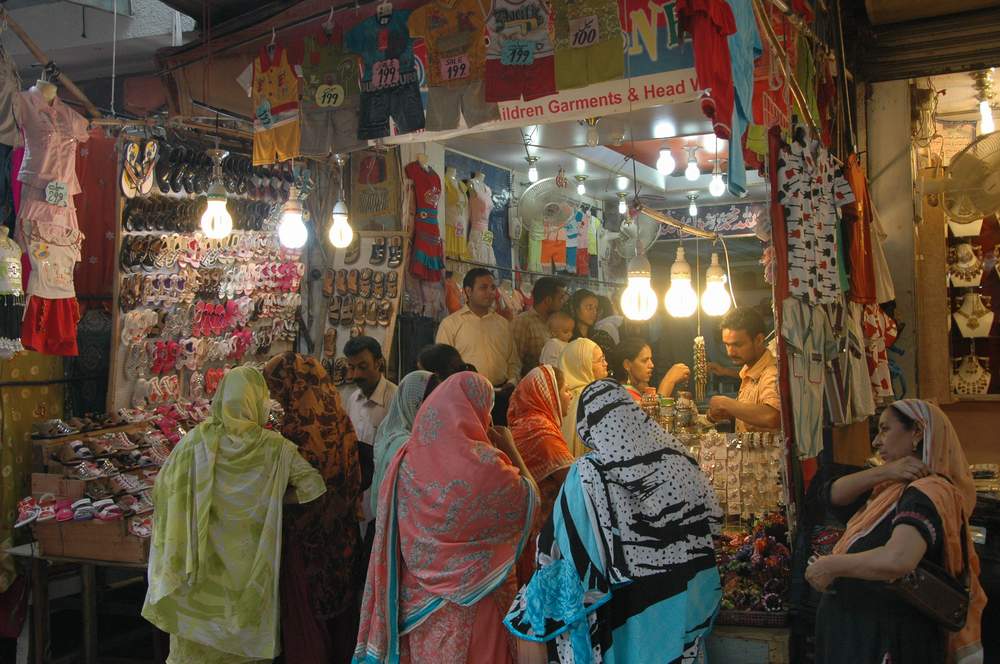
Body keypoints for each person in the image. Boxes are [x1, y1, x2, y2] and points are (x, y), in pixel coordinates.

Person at [505, 379, 723, 663]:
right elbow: (711, 530)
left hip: (625, 611)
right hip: (679, 603)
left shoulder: (588, 473)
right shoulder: (681, 460)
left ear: (587, 427)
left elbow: (560, 547)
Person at [142, 367, 326, 663]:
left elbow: (162, 489)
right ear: (258, 400)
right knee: (244, 648)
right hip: (251, 569)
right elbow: (313, 488)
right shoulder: (276, 449)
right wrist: (273, 497)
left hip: (201, 572)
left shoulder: (195, 443)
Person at [353, 372, 538, 664]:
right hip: (480, 600)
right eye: (486, 411)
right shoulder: (489, 466)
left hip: (419, 606)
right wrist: (511, 448)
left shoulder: (407, 458)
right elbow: (530, 501)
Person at [805, 400, 985, 664]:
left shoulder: (926, 493)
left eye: (885, 430)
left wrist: (831, 565)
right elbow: (832, 495)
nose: (877, 441)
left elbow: (898, 559)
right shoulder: (889, 488)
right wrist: (885, 471)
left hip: (889, 638)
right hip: (861, 633)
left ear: (917, 433)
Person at [263, 353, 363, 664]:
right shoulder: (337, 414)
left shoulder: (294, 428)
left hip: (305, 541)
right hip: (341, 535)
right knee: (338, 620)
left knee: (306, 624)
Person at [508, 365, 574, 586]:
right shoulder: (542, 433)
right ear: (550, 395)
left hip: (523, 526)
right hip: (541, 532)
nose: (570, 396)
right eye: (565, 391)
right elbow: (573, 481)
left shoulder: (524, 424)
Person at [436, 267, 520, 424]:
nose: (490, 292)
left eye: (492, 287)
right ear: (468, 291)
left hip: (500, 397)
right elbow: (442, 365)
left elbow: (513, 361)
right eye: (483, 287)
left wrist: (512, 382)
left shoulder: (503, 324)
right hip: (465, 399)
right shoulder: (451, 324)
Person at [368, 370, 433, 517]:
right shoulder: (406, 445)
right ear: (415, 403)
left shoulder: (390, 431)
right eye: (429, 403)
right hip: (399, 526)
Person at [706, 307, 780, 432]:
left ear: (759, 340)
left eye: (737, 344)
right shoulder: (748, 370)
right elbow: (750, 410)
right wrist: (728, 413)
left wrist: (725, 403)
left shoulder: (771, 373)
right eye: (727, 344)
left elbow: (772, 415)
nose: (730, 352)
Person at [343, 335, 398, 492]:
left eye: (363, 367)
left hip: (383, 489)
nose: (356, 375)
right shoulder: (353, 399)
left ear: (378, 363)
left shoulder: (395, 400)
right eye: (352, 367)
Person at [558, 337, 608, 457]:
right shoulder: (591, 398)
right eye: (600, 360)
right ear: (583, 366)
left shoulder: (564, 397)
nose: (605, 364)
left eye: (604, 359)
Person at [512, 276, 567, 374]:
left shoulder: (557, 322)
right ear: (548, 300)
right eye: (561, 298)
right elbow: (515, 361)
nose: (563, 302)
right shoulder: (524, 322)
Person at [611, 336, 691, 402]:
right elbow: (650, 418)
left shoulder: (639, 390)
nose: (652, 365)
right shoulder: (622, 394)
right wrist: (669, 381)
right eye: (644, 360)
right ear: (627, 365)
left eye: (650, 359)